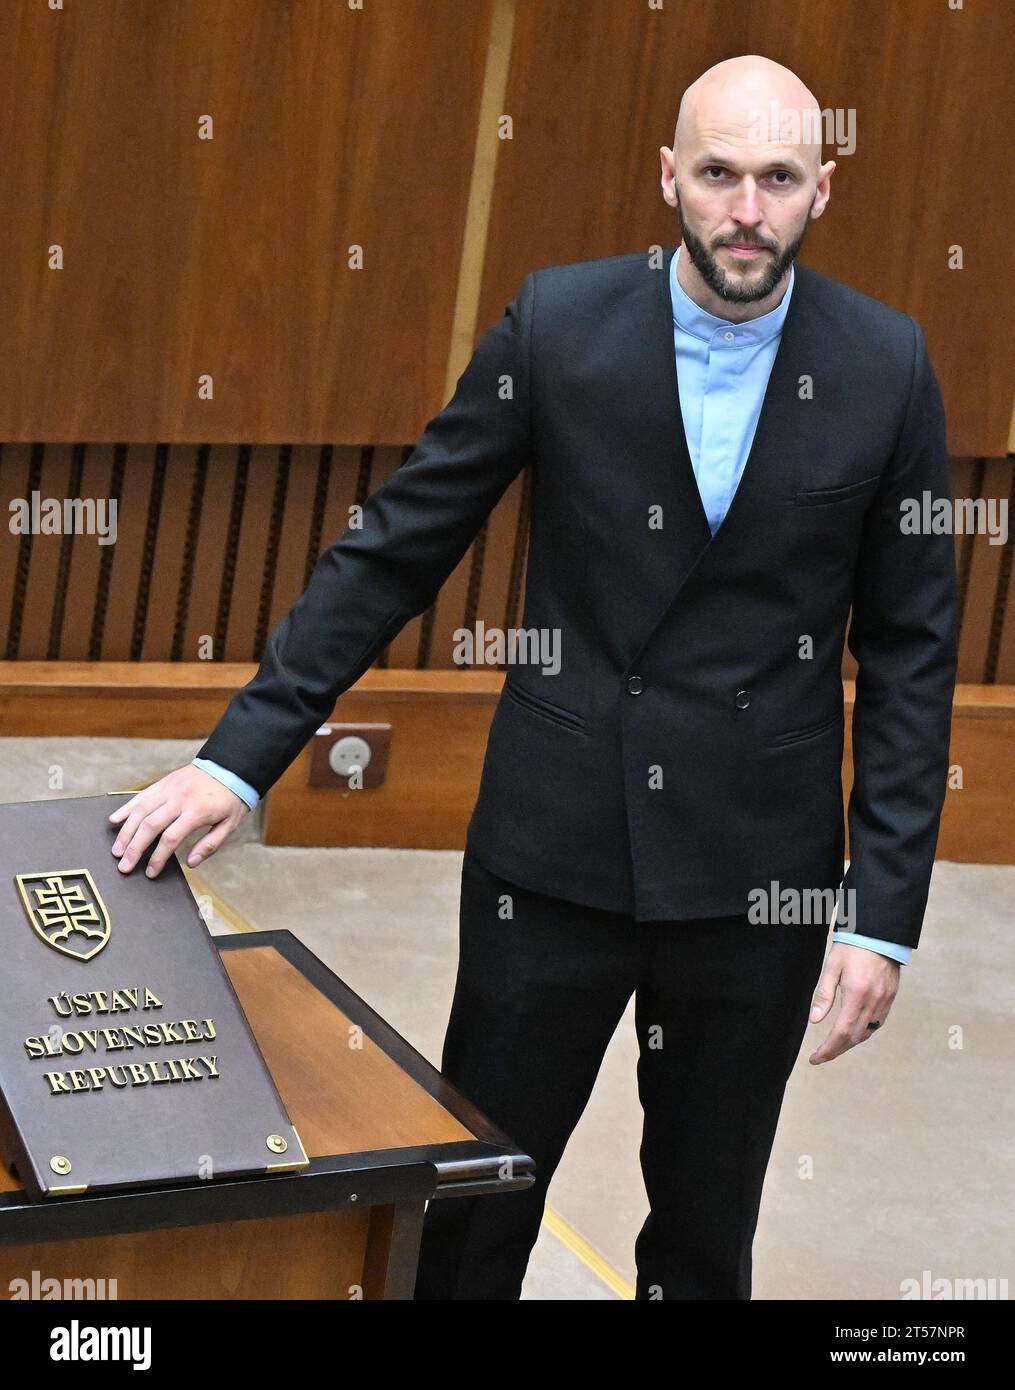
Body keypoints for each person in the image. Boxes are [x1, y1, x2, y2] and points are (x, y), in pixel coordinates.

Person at [108, 55, 958, 1299]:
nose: (743, 209)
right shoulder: (557, 328)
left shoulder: (886, 366)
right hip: (551, 856)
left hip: (753, 880)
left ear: (820, 191)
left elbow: (911, 653)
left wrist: (879, 911)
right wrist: (242, 755)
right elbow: (396, 546)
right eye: (717, 173)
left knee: (706, 1239)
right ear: (668, 175)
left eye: (776, 179)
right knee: (472, 1222)